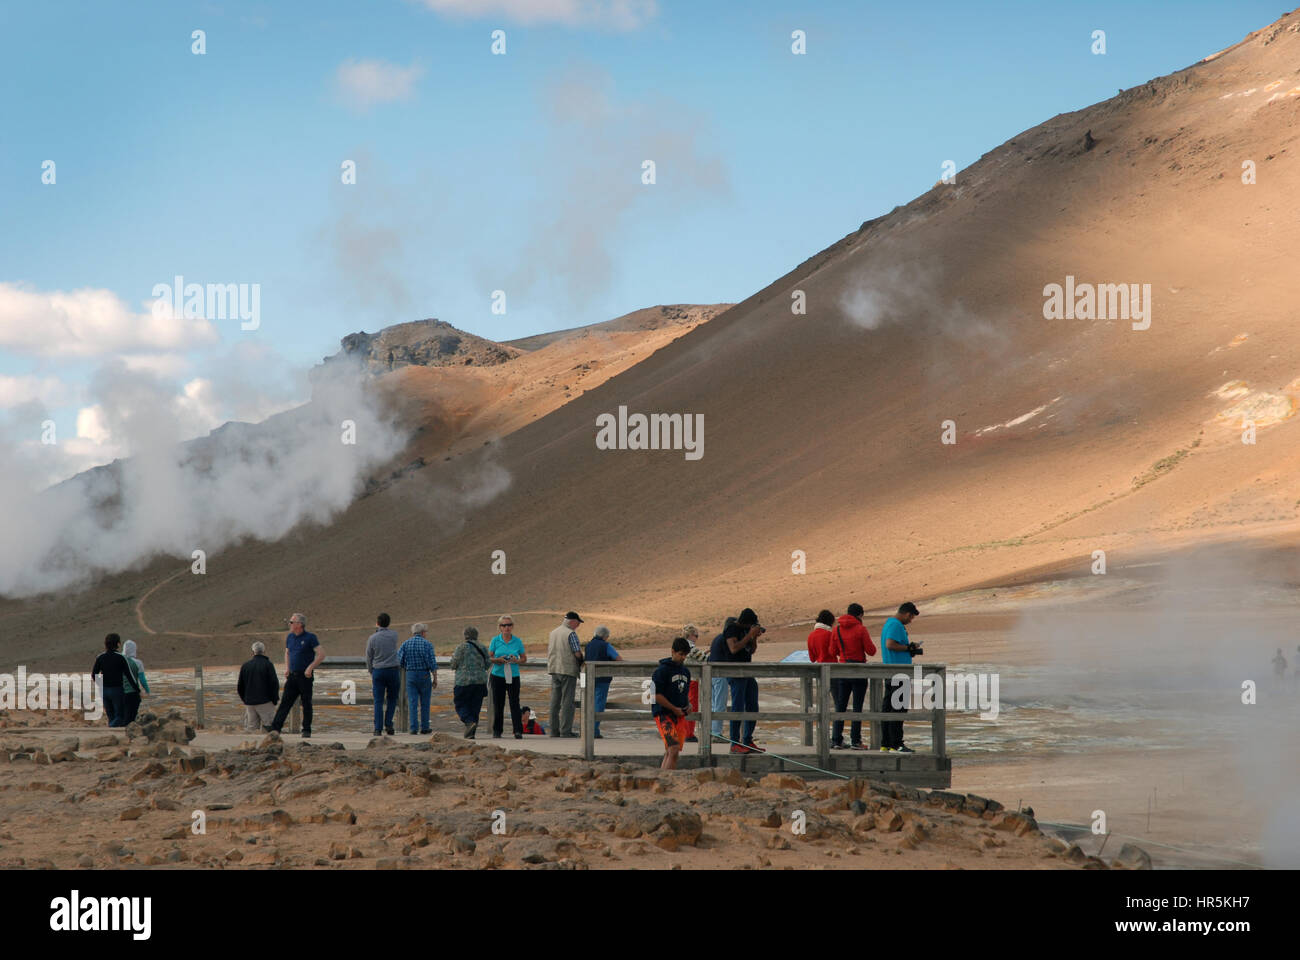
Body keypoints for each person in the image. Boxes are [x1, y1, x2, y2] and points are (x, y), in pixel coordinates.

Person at [829, 603, 877, 750]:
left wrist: (843, 656)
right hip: (859, 670)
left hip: (842, 670)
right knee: (857, 707)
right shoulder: (861, 629)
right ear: (860, 615)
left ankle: (836, 740)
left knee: (840, 706)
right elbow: (871, 651)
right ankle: (855, 741)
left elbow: (832, 651)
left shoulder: (836, 629)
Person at [269, 613, 325, 739]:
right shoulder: (290, 637)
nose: (290, 624)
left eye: (292, 622)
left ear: (299, 624)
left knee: (306, 703)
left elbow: (321, 654)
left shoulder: (310, 637)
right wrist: (287, 668)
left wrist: (310, 668)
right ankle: (275, 729)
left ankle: (306, 729)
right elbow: (287, 652)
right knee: (285, 703)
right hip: (292, 675)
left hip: (305, 676)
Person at [880, 602, 922, 753]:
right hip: (898, 673)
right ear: (907, 614)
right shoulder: (895, 625)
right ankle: (896, 744)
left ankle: (886, 743)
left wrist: (908, 648)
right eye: (911, 617)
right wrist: (908, 648)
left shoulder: (889, 624)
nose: (910, 621)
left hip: (891, 672)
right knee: (898, 709)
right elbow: (890, 644)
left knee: (889, 708)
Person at [723, 608, 765, 754]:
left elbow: (751, 650)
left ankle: (747, 740)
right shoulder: (731, 629)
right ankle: (735, 742)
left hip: (747, 672)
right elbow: (733, 648)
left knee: (753, 705)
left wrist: (754, 638)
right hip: (735, 673)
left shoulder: (747, 632)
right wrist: (749, 635)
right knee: (738, 707)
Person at [652, 637, 692, 770]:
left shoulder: (686, 671)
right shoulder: (661, 671)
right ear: (673, 651)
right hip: (664, 714)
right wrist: (673, 708)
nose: (683, 658)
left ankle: (663, 777)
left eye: (685, 655)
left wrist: (688, 705)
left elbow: (684, 693)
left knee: (672, 751)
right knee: (673, 749)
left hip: (679, 715)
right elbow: (655, 695)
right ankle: (666, 779)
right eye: (681, 654)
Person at [547, 612, 585, 738]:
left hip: (554, 669)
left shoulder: (553, 632)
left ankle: (553, 730)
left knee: (555, 701)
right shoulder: (571, 633)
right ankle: (565, 731)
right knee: (568, 702)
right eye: (578, 623)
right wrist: (581, 661)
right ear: (572, 621)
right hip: (567, 669)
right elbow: (577, 652)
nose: (578, 625)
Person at [91, 633, 140, 728]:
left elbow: (94, 674)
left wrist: (101, 686)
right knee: (119, 716)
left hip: (105, 690)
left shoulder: (100, 657)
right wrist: (137, 690)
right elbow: (129, 675)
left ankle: (111, 731)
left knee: (111, 715)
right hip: (117, 690)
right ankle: (110, 729)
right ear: (118, 644)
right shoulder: (121, 657)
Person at [488, 615, 526, 739]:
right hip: (497, 675)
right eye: (504, 625)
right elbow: (489, 658)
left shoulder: (518, 641)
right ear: (500, 627)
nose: (507, 628)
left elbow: (524, 659)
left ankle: (518, 731)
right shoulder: (495, 640)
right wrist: (497, 660)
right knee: (498, 703)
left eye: (509, 625)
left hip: (513, 676)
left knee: (514, 703)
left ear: (512, 626)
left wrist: (516, 660)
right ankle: (497, 730)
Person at [449, 625, 489, 738]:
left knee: (460, 703)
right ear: (477, 635)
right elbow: (488, 664)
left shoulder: (461, 647)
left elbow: (453, 664)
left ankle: (468, 722)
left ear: (465, 636)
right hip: (480, 682)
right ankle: (471, 733)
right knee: (475, 707)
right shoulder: (483, 647)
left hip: (463, 682)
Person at [398, 623, 438, 735]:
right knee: (425, 702)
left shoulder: (405, 644)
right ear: (423, 632)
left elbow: (400, 660)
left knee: (412, 702)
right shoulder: (427, 644)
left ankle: (413, 728)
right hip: (424, 675)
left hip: (410, 675)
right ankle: (425, 727)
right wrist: (435, 678)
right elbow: (432, 663)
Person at [366, 613, 401, 736]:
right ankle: (389, 724)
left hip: (378, 671)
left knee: (378, 700)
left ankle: (378, 728)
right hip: (393, 670)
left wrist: (371, 671)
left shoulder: (372, 638)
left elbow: (369, 656)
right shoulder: (394, 635)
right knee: (392, 699)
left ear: (377, 623)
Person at [584, 625, 621, 738]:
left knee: (589, 703)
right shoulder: (606, 645)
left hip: (588, 678)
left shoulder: (588, 645)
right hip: (602, 678)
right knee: (599, 704)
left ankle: (587, 730)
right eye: (607, 637)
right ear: (605, 636)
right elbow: (618, 659)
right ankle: (594, 731)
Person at [706, 616, 737, 742]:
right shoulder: (726, 639)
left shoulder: (718, 638)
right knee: (719, 704)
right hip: (720, 675)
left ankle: (712, 731)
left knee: (714, 704)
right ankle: (716, 734)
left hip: (711, 675)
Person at [237, 641, 280, 731]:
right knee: (269, 728)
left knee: (251, 729)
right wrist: (275, 699)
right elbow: (274, 683)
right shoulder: (268, 664)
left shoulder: (245, 666)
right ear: (264, 651)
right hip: (266, 702)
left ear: (252, 652)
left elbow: (240, 686)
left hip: (250, 703)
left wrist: (245, 700)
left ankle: (253, 744)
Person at [681, 624, 703, 742]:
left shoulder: (683, 646)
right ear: (690, 635)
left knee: (685, 703)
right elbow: (704, 659)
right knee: (692, 705)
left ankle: (685, 731)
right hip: (692, 680)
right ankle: (689, 733)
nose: (697, 638)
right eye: (696, 635)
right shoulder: (692, 648)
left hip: (684, 679)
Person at [121, 639, 149, 725]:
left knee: (123, 715)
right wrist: (147, 690)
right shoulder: (138, 663)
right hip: (133, 693)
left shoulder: (120, 661)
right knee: (131, 717)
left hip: (120, 693)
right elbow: (142, 679)